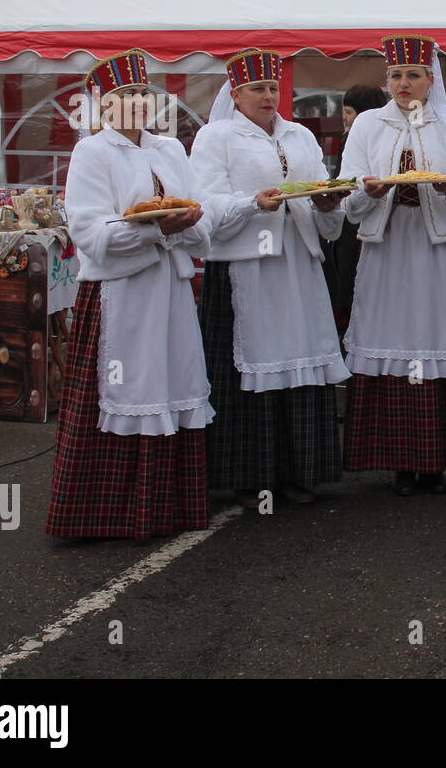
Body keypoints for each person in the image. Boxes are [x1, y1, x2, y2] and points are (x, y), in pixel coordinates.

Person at [45, 50, 213, 541]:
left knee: (172, 379)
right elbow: (90, 232)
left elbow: (196, 216)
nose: (137, 103)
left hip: (171, 287)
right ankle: (114, 513)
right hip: (124, 290)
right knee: (131, 385)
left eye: (143, 94)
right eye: (125, 97)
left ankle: (171, 507)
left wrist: (185, 224)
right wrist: (155, 230)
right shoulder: (93, 152)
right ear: (103, 105)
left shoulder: (170, 149)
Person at [338, 34, 446, 496]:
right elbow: (347, 188)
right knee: (391, 339)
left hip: (438, 250)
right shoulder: (368, 125)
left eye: (413, 75)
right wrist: (366, 193)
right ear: (386, 80)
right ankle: (398, 463)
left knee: (436, 336)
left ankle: (435, 462)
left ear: (430, 80)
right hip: (387, 249)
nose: (404, 83)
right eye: (396, 76)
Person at [190, 49, 349, 508]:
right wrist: (251, 204)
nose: (267, 96)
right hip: (246, 267)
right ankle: (251, 476)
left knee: (301, 357)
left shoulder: (299, 134)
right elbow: (206, 204)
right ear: (235, 94)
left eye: (272, 88)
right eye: (257, 88)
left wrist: (327, 203)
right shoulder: (215, 138)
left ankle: (301, 471)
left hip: (297, 262)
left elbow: (321, 186)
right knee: (250, 365)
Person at [323, 84, 388, 334]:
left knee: (352, 274)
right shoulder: (352, 135)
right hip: (355, 214)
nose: (345, 117)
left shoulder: (357, 136)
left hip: (358, 223)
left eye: (349, 112)